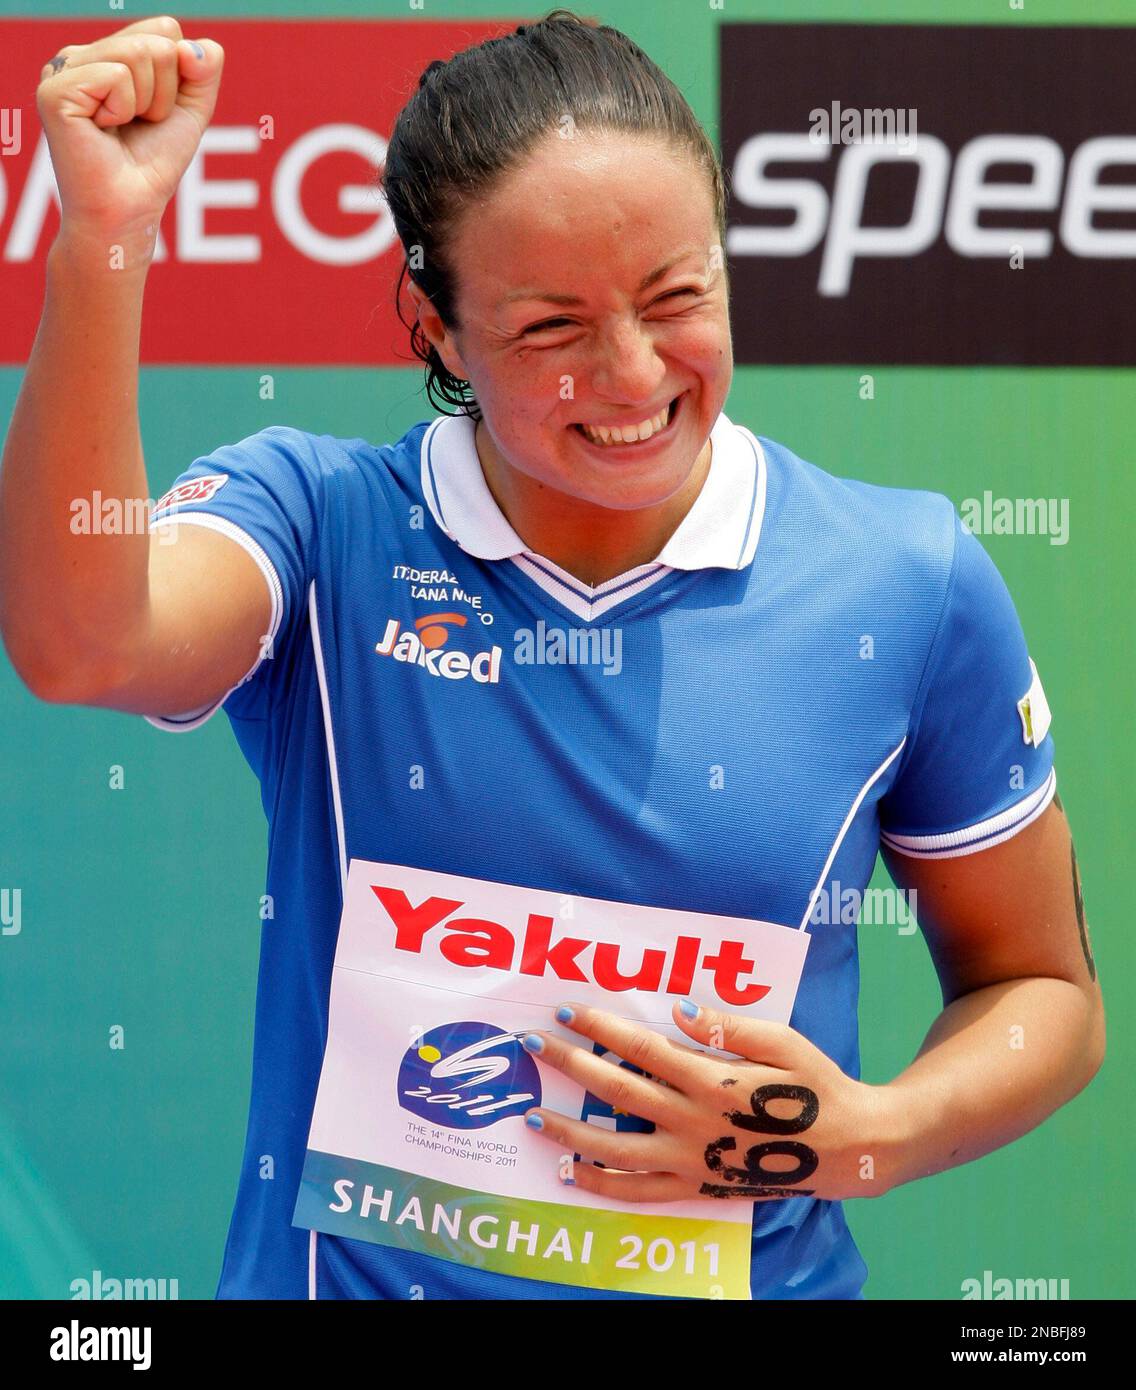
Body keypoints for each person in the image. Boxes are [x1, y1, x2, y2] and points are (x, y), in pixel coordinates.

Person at [0, 9, 1104, 1302]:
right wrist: (103, 244)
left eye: (678, 296)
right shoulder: (319, 525)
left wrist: (857, 1136)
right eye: (549, 329)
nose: (633, 374)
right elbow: (82, 644)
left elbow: (1042, 989)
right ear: (436, 326)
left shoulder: (906, 578)